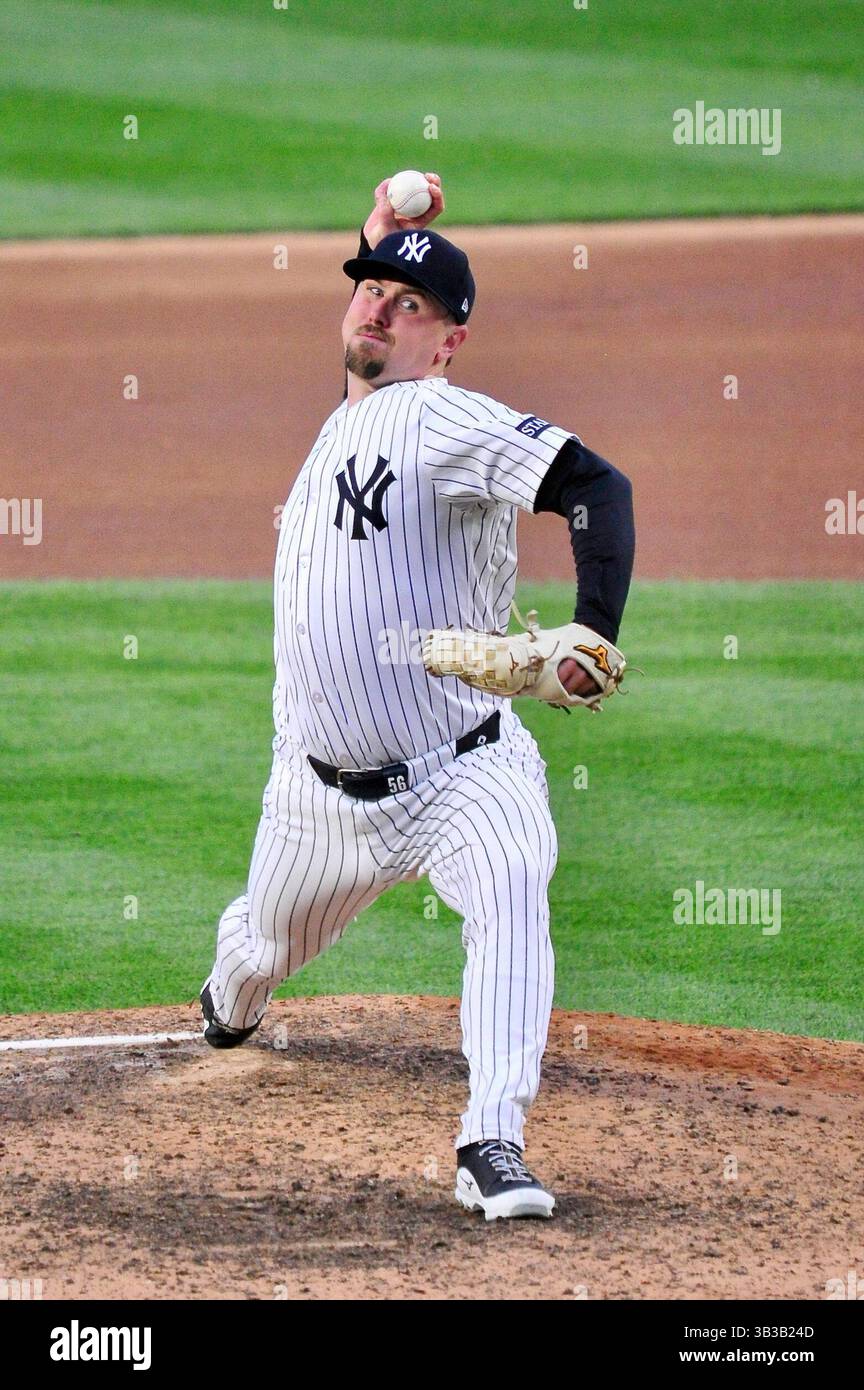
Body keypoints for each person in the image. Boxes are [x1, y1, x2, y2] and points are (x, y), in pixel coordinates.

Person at [200, 174, 635, 1221]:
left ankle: (493, 1136)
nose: (377, 307)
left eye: (408, 304)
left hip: (463, 767)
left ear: (448, 342)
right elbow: (368, 313)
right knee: (261, 947)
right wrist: (382, 240)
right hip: (317, 800)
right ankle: (233, 999)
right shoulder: (344, 422)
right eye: (369, 291)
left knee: (513, 877)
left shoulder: (437, 418)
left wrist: (594, 626)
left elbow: (595, 486)